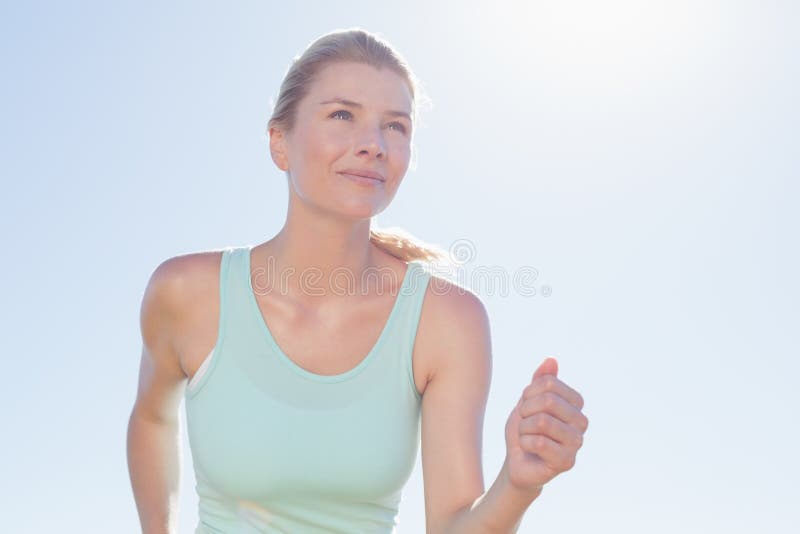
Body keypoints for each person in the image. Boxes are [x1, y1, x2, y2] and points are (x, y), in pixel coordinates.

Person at [126, 27, 588, 534]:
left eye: (395, 126)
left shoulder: (447, 320)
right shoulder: (187, 293)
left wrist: (518, 484)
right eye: (342, 115)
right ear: (280, 143)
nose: (373, 145)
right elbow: (152, 418)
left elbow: (453, 524)